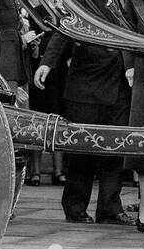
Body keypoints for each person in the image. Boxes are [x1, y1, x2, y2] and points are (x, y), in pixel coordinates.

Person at [35, 31, 134, 225]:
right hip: (85, 84)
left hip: (119, 84)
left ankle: (110, 209)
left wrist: (131, 65)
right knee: (80, 150)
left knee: (115, 150)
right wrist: (47, 62)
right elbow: (64, 28)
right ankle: (75, 207)